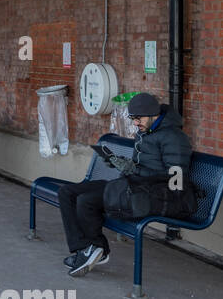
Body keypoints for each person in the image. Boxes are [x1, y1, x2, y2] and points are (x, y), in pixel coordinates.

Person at [59, 92, 193, 277]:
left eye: (139, 119)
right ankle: (84, 248)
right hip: (136, 186)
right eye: (133, 119)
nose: (136, 123)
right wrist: (118, 162)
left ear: (154, 114)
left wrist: (134, 170)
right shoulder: (146, 131)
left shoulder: (174, 138)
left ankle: (95, 248)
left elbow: (175, 180)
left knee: (86, 201)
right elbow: (141, 166)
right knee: (67, 193)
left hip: (159, 196)